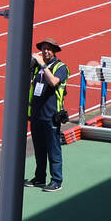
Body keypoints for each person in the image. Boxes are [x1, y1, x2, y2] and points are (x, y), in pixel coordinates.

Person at [28, 38, 69, 192]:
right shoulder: (37, 68)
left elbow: (53, 82)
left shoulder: (61, 67)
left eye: (48, 49)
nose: (45, 51)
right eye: (43, 49)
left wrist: (43, 65)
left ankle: (56, 180)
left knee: (53, 149)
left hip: (51, 115)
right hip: (37, 115)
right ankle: (39, 177)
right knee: (39, 149)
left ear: (54, 51)